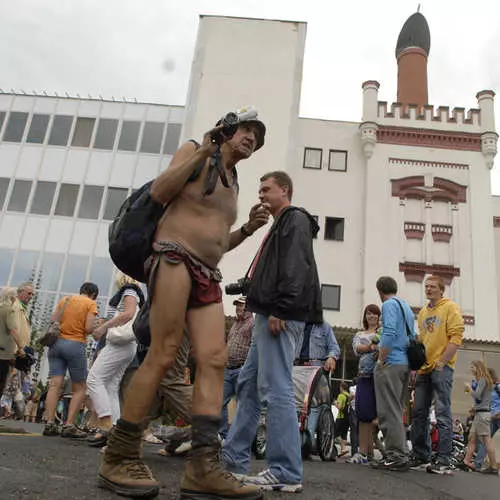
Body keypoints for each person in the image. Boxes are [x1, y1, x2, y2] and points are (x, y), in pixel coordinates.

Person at [99, 111, 269, 500]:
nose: (251, 139)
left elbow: (217, 242)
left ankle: (203, 467)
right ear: (228, 131)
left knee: (214, 359)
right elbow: (161, 190)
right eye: (246, 130)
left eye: (257, 138)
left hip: (207, 273)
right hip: (173, 257)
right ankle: (119, 453)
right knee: (163, 352)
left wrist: (249, 229)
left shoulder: (233, 182)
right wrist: (204, 148)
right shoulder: (197, 151)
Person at [223, 171, 323, 493]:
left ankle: (285, 470)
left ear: (285, 190)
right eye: (260, 189)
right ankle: (233, 459)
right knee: (248, 385)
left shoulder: (294, 219)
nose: (262, 194)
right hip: (269, 313)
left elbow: (297, 265)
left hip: (280, 313)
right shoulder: (281, 224)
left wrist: (282, 306)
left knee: (277, 389)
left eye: (267, 189)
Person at [410, 275, 464, 473]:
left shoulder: (450, 307)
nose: (429, 289)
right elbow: (423, 342)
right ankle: (420, 454)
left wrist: (442, 361)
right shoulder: (423, 312)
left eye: (433, 286)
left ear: (442, 290)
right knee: (418, 413)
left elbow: (456, 337)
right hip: (424, 368)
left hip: (442, 367)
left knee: (442, 413)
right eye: (426, 286)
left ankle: (444, 459)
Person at [86, 272, 145, 448]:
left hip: (119, 343)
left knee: (94, 380)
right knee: (111, 386)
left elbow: (128, 313)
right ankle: (115, 430)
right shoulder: (134, 292)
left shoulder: (128, 290)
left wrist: (104, 326)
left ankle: (105, 424)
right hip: (127, 344)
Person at [43, 282, 99, 438]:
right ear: (93, 294)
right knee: (80, 388)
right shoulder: (91, 304)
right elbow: (88, 328)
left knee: (55, 385)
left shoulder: (65, 299)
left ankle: (49, 423)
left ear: (80, 291)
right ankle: (69, 425)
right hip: (75, 345)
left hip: (56, 344)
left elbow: (54, 319)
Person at [372, 276, 414, 471]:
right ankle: (399, 453)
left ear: (380, 290)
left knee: (388, 411)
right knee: (396, 410)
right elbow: (411, 335)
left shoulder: (388, 305)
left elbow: (388, 332)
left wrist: (381, 359)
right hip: (405, 363)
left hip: (391, 363)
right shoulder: (406, 306)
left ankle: (395, 455)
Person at [294, 321, 340, 451]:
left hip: (316, 369)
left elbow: (334, 348)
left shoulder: (325, 327)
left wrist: (331, 357)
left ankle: (308, 438)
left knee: (313, 404)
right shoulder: (297, 325)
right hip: (296, 368)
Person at [347, 304, 381, 465]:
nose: (372, 316)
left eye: (375, 313)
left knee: (380, 415)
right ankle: (363, 453)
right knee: (363, 415)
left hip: (381, 377)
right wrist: (370, 347)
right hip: (364, 376)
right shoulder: (359, 334)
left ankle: (387, 452)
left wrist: (374, 348)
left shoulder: (383, 333)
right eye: (369, 313)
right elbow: (356, 349)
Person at [220, 296, 254, 440]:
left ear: (248, 308)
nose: (238, 308)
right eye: (237, 306)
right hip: (228, 369)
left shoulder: (253, 324)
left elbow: (254, 347)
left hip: (242, 369)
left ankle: (241, 439)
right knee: (219, 402)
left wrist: (248, 367)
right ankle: (223, 435)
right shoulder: (235, 324)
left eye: (241, 306)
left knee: (243, 407)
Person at [462, 361, 498, 474]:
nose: (470, 369)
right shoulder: (483, 380)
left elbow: (477, 395)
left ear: (478, 368)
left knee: (487, 440)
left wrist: (469, 388)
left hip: (483, 415)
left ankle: (493, 466)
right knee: (472, 438)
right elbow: (481, 399)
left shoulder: (483, 379)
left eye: (472, 367)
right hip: (480, 413)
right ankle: (466, 462)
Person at [0, 287, 25, 399]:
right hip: (3, 351)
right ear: (11, 298)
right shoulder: (9, 310)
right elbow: (13, 330)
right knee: (1, 380)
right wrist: (21, 347)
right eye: (15, 296)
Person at [474, 367, 500, 470]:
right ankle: (477, 465)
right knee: (485, 441)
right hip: (492, 418)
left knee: (486, 440)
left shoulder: (498, 386)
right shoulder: (490, 388)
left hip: (498, 416)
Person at [335, 382, 351, 457]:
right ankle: (342, 451)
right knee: (344, 434)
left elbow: (340, 407)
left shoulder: (341, 395)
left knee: (335, 433)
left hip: (340, 417)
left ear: (341, 387)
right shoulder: (349, 395)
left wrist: (335, 403)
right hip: (347, 417)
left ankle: (343, 448)